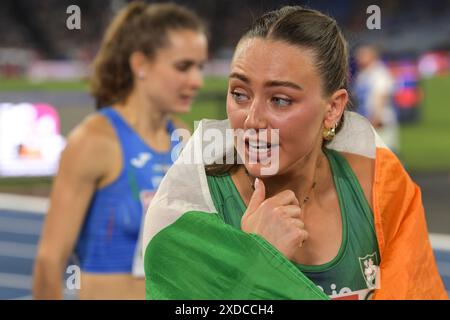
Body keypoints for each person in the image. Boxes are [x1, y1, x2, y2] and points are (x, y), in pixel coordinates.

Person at [141, 6, 447, 300]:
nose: (252, 120)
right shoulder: (191, 214)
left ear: (333, 108)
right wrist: (257, 260)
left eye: (281, 100)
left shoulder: (378, 188)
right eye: (239, 94)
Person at [32, 2, 207, 300]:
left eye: (200, 67)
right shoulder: (94, 141)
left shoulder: (183, 139)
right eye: (183, 66)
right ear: (140, 65)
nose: (196, 81)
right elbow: (49, 262)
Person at [354, 45, 399, 152]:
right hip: (366, 119)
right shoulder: (363, 74)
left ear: (372, 56)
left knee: (385, 154)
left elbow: (381, 96)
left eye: (362, 55)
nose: (358, 57)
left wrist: (376, 118)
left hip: (380, 121)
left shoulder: (380, 73)